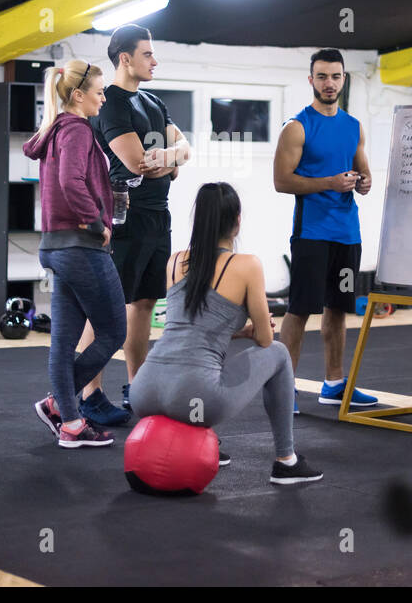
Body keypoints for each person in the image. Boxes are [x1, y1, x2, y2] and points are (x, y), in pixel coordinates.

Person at [128, 182, 323, 485]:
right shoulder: (247, 265)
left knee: (197, 369)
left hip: (143, 391)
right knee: (280, 353)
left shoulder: (175, 260)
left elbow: (189, 329)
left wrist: (239, 331)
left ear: (198, 220)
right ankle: (287, 461)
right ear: (237, 220)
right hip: (194, 397)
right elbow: (265, 340)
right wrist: (252, 331)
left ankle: (205, 446)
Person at [76, 24, 192, 427]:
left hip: (158, 215)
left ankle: (137, 388)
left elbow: (184, 151)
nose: (154, 61)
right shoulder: (111, 104)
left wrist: (168, 157)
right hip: (123, 218)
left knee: (143, 303)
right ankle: (88, 394)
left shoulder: (154, 102)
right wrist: (167, 158)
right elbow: (135, 163)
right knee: (105, 308)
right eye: (147, 54)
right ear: (125, 58)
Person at [22, 60, 127, 449]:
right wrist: (96, 222)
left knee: (63, 343)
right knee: (115, 331)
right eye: (99, 92)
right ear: (79, 95)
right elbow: (71, 181)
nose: (103, 98)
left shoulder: (55, 130)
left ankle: (68, 420)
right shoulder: (78, 129)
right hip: (80, 247)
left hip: (54, 247)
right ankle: (61, 406)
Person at [272, 48, 378, 412]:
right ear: (311, 80)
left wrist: (363, 183)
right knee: (300, 309)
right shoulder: (297, 126)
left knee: (338, 307)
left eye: (335, 76)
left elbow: (364, 174)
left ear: (343, 79)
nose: (329, 83)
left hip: (347, 233)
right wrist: (329, 183)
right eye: (322, 76)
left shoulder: (354, 127)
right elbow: (282, 181)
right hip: (312, 233)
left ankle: (334, 383)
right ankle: (284, 390)